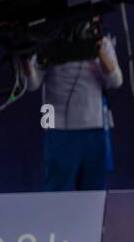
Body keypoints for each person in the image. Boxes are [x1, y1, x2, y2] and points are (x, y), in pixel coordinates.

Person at [22, 17, 122, 191]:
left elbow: (116, 81)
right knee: (57, 193)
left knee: (94, 195)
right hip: (57, 128)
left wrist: (97, 51)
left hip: (94, 128)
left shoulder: (102, 42)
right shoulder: (48, 40)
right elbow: (32, 84)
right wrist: (24, 58)